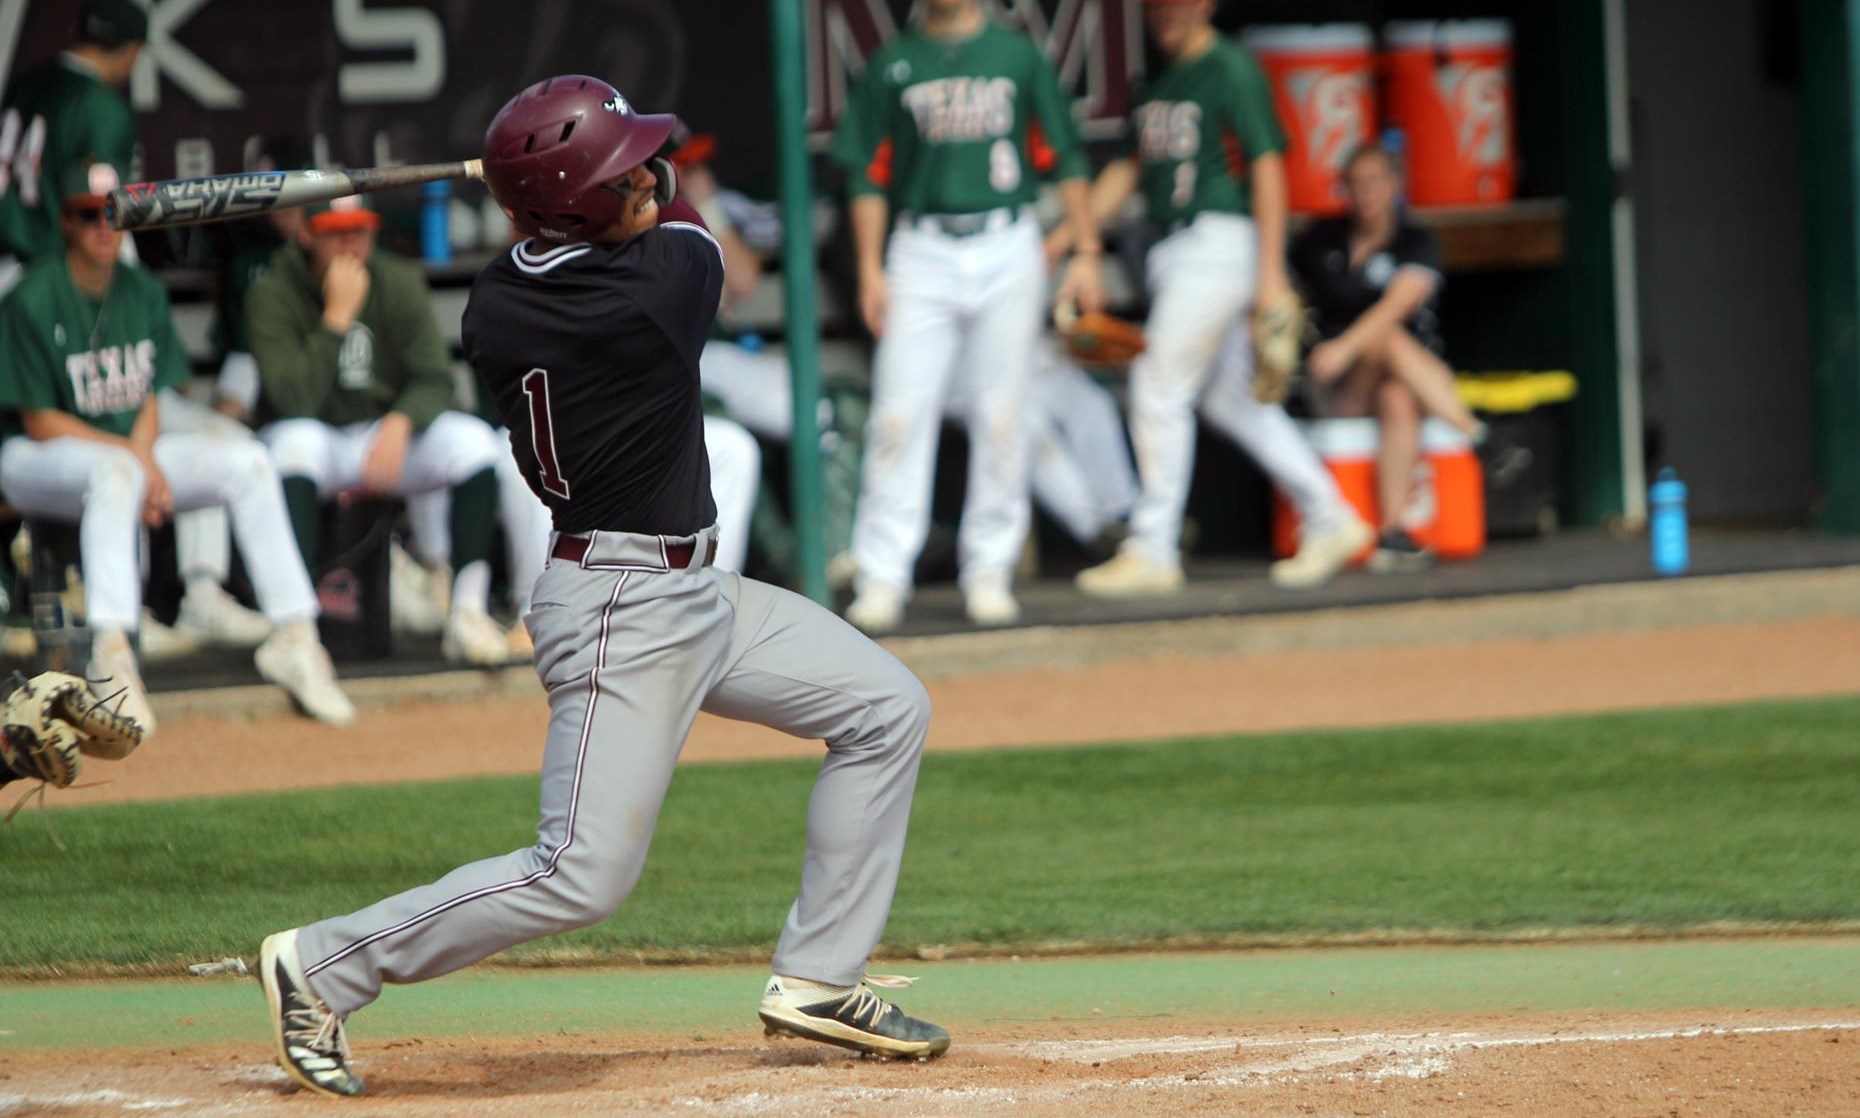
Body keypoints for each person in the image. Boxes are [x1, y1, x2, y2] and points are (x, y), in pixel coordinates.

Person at [255, 77, 946, 1099]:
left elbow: (602, 213)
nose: (649, 174)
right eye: (624, 168)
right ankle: (321, 964)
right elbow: (687, 218)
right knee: (581, 871)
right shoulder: (655, 287)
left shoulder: (499, 297)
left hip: (700, 589)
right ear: (580, 205)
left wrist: (554, 182)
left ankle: (820, 976)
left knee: (888, 706)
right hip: (626, 610)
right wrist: (583, 181)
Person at [0, 178, 356, 736]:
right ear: (66, 222)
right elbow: (40, 421)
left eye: (113, 214)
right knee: (115, 472)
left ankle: (295, 635)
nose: (103, 226)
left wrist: (145, 456)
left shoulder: (139, 289)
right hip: (32, 460)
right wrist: (138, 460)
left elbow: (147, 398)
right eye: (89, 214)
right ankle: (111, 657)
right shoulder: (32, 295)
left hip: (121, 452)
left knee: (247, 461)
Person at [1051, 0, 1373, 598]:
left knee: (1156, 383)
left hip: (1220, 239)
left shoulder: (1230, 67)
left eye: (1181, 3)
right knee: (1231, 398)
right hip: (1175, 247)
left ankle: (1152, 548)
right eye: (1159, 5)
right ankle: (1332, 517)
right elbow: (1127, 168)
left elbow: (1268, 164)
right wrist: (1070, 240)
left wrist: (1272, 273)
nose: (1169, 13)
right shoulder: (1156, 79)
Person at [831, 0, 1105, 633]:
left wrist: (1087, 250)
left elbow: (1065, 156)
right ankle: (882, 574)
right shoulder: (894, 63)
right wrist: (871, 266)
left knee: (1004, 412)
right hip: (921, 245)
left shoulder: (1016, 54)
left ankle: (989, 568)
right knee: (899, 413)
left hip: (1006, 240)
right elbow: (866, 175)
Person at [245, 195, 511, 665]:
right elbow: (293, 399)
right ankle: (298, 628)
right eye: (335, 230)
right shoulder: (274, 290)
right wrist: (336, 319)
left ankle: (467, 611)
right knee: (292, 446)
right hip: (316, 437)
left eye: (360, 229)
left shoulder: (397, 279)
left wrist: (401, 419)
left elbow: (435, 377)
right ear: (306, 234)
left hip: (384, 437)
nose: (351, 242)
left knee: (472, 445)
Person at [1290, 142, 1486, 571]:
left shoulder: (1414, 240)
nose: (1367, 193)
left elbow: (1399, 304)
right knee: (1386, 341)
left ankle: (1392, 533)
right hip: (1337, 387)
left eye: (1376, 181)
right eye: (1357, 183)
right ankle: (1475, 434)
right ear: (1344, 189)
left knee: (1396, 388)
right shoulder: (1319, 241)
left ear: (1395, 185)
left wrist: (1347, 345)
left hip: (1399, 381)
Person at [0, 0, 144, 285]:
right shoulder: (101, 107)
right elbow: (104, 211)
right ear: (132, 52)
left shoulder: (24, 86)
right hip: (51, 281)